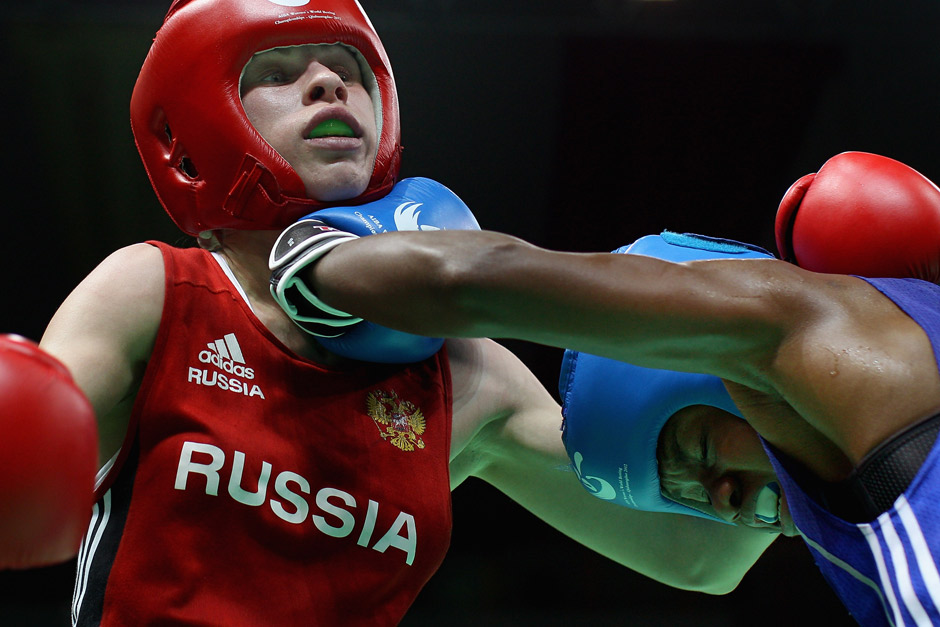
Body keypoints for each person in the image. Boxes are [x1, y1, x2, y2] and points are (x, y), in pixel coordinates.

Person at [16, 0, 775, 624]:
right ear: (196, 126)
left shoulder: (463, 372)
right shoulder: (156, 293)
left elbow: (697, 556)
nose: (326, 84)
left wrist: (790, 410)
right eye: (277, 71)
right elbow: (21, 476)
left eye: (347, 70)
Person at [288, 150, 940, 626]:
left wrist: (321, 260)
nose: (726, 501)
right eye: (692, 496)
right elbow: (703, 562)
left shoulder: (801, 327)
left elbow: (472, 281)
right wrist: (494, 408)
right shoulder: (835, 486)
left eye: (703, 452)